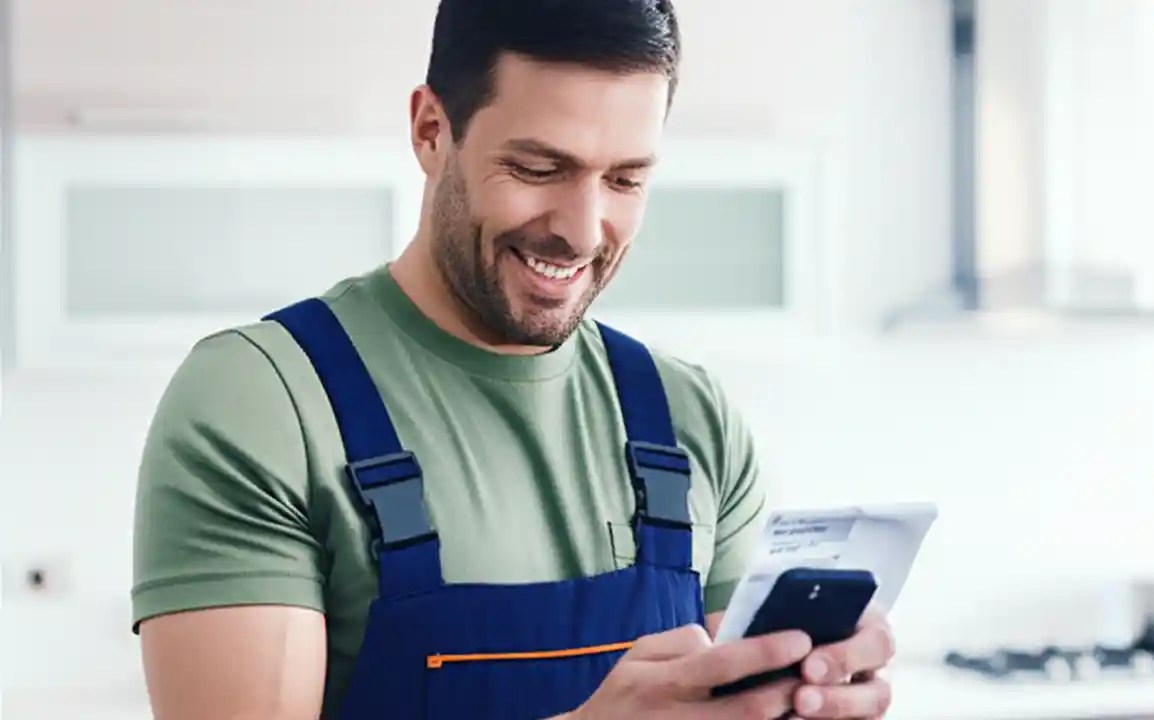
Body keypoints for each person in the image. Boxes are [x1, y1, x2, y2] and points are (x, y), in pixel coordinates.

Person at [130, 1, 896, 718]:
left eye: (626, 179)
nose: (584, 230)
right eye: (538, 170)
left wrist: (806, 689)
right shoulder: (265, 404)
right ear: (432, 130)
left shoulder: (693, 419)